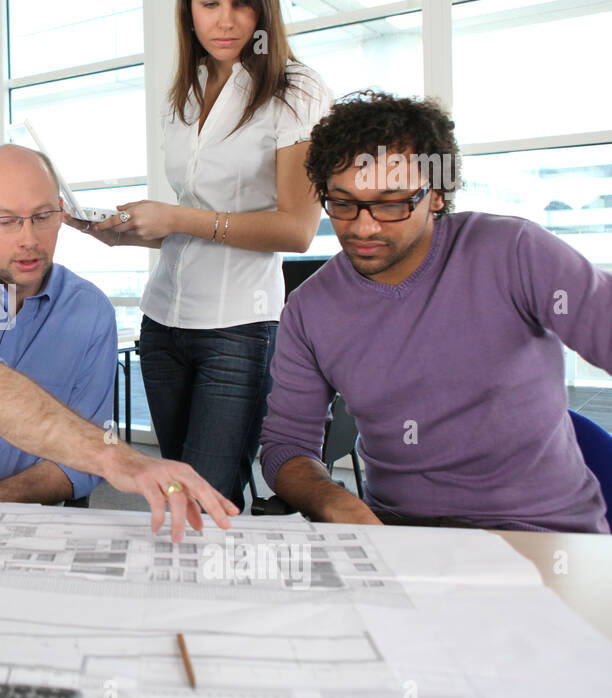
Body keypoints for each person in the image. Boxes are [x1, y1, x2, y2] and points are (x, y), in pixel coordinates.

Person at [259, 91, 612, 533]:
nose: (363, 227)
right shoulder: (309, 309)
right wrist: (337, 503)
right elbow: (286, 446)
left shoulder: (514, 251)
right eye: (343, 203)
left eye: (392, 203)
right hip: (403, 534)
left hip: (543, 531)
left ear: (438, 195)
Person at [66, 0, 332, 509]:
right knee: (172, 489)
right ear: (188, 9)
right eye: (209, 3)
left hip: (237, 329)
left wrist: (177, 217)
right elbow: (185, 228)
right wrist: (124, 235)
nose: (226, 21)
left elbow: (296, 228)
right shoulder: (182, 95)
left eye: (241, 3)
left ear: (264, 7)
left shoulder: (296, 91)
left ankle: (223, 597)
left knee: (207, 500)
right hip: (164, 324)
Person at [0, 144, 239, 540]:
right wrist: (117, 457)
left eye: (43, 217)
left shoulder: (90, 313)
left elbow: (76, 465)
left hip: (6, 521)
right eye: (6, 221)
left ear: (61, 212)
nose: (29, 239)